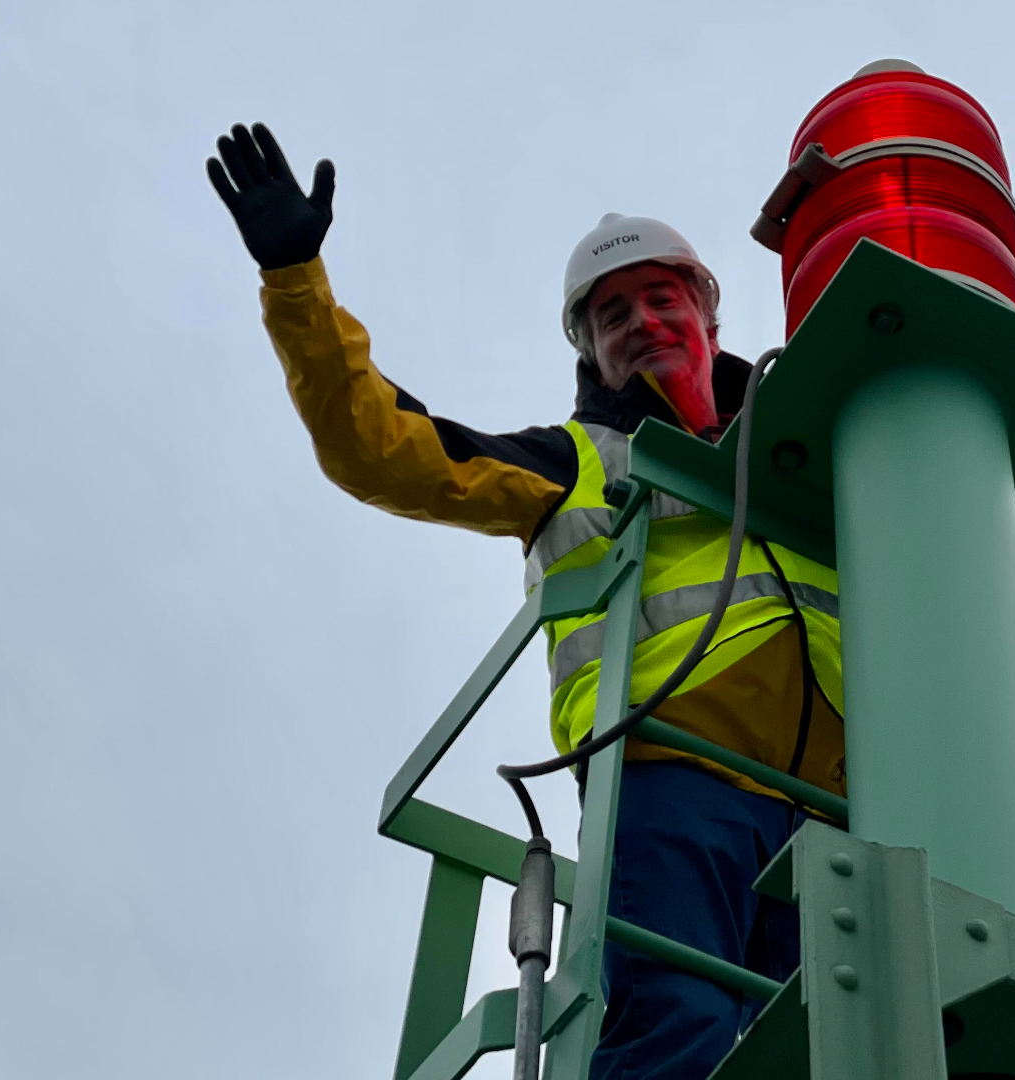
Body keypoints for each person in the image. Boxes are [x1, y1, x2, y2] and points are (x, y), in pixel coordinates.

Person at [207, 123, 844, 1080]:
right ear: (589, 350)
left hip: (834, 806)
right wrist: (297, 281)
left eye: (660, 297)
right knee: (676, 1028)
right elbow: (376, 446)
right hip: (677, 780)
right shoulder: (572, 464)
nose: (640, 321)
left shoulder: (809, 445)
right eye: (610, 314)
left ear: (707, 308)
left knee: (835, 1050)